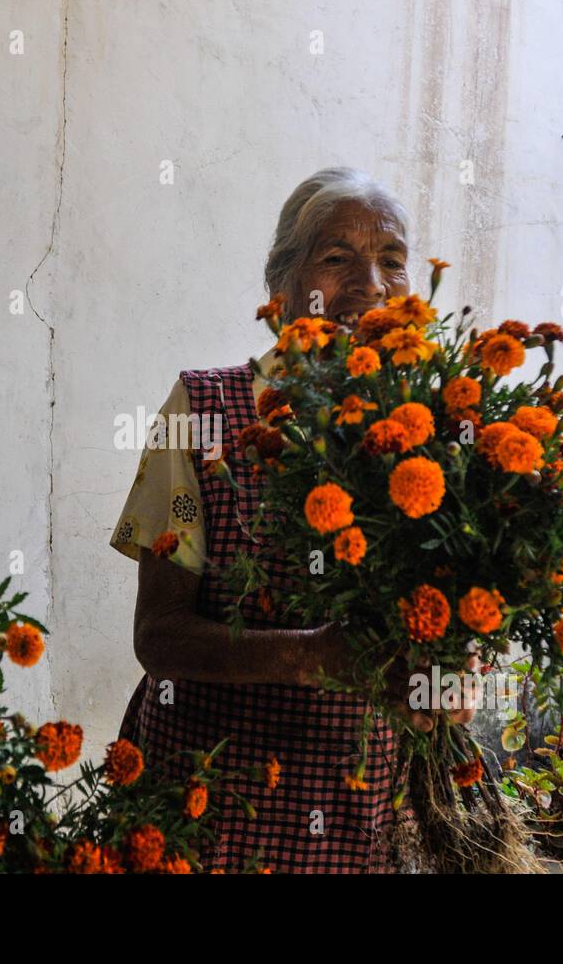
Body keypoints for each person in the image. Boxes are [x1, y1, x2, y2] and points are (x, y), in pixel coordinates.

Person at [109, 167, 474, 873]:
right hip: (212, 805)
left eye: (392, 260)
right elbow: (158, 636)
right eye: (337, 258)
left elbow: (456, 620)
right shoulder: (204, 413)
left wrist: (455, 673)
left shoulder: (434, 428)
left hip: (368, 812)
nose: (371, 283)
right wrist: (313, 655)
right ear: (282, 284)